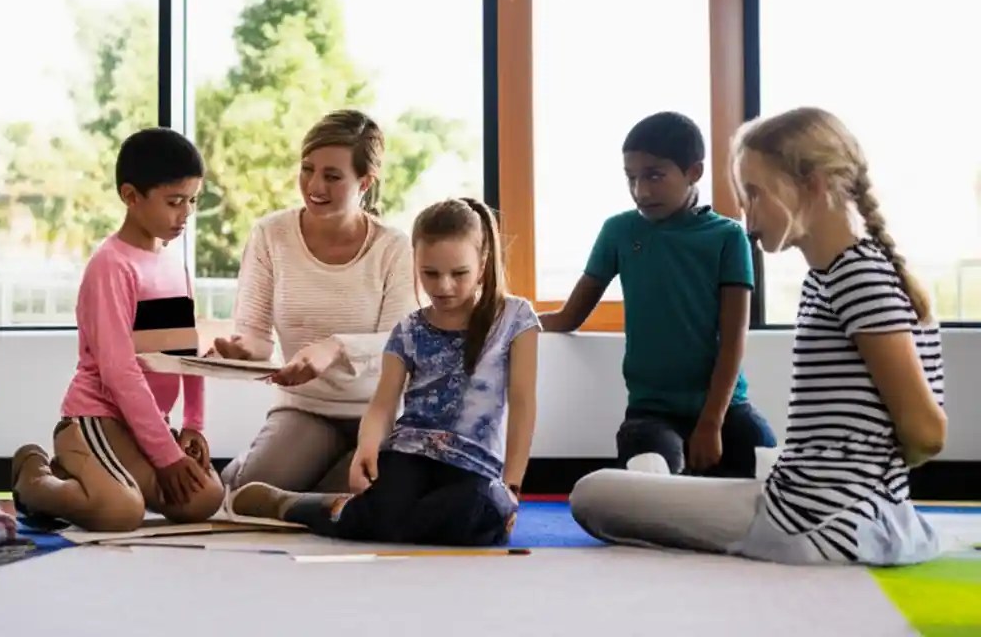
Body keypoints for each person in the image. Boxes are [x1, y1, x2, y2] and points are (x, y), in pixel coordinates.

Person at [570, 106, 948, 565]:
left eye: (754, 193)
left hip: (810, 521)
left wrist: (853, 485)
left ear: (813, 184)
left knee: (592, 495)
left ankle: (855, 525)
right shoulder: (831, 277)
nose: (746, 217)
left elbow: (926, 432)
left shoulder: (857, 277)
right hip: (806, 502)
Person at [228, 198, 539, 546]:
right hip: (410, 453)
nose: (444, 286)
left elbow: (523, 401)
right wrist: (367, 449)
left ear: (482, 264)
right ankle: (295, 504)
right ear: (415, 264)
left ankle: (339, 510)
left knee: (472, 512)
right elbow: (383, 404)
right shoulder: (408, 330)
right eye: (430, 274)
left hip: (474, 466)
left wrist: (512, 483)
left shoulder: (515, 318)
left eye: (459, 273)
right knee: (393, 515)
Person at [540, 111, 776, 478]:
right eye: (631, 178)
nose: (641, 191)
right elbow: (568, 317)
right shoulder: (618, 231)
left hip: (725, 409)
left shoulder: (728, 237)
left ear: (693, 172)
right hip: (651, 413)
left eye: (654, 175)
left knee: (770, 468)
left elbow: (732, 341)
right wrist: (507, 321)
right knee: (651, 473)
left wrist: (711, 423)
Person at [11, 128, 223, 532]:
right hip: (98, 416)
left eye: (193, 201)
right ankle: (35, 475)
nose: (186, 214)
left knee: (206, 497)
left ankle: (105, 476)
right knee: (121, 513)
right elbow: (118, 372)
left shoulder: (174, 264)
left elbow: (187, 352)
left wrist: (193, 424)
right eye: (174, 202)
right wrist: (165, 456)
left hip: (147, 423)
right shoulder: (111, 266)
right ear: (131, 196)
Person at [214, 110, 418, 493]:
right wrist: (239, 350)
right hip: (304, 409)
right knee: (252, 491)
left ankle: (311, 488)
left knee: (370, 491)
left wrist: (336, 347)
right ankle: (273, 476)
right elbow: (256, 338)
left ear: (365, 181)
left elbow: (401, 342)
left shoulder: (393, 247)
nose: (314, 185)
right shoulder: (270, 235)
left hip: (374, 413)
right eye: (307, 169)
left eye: (332, 176)